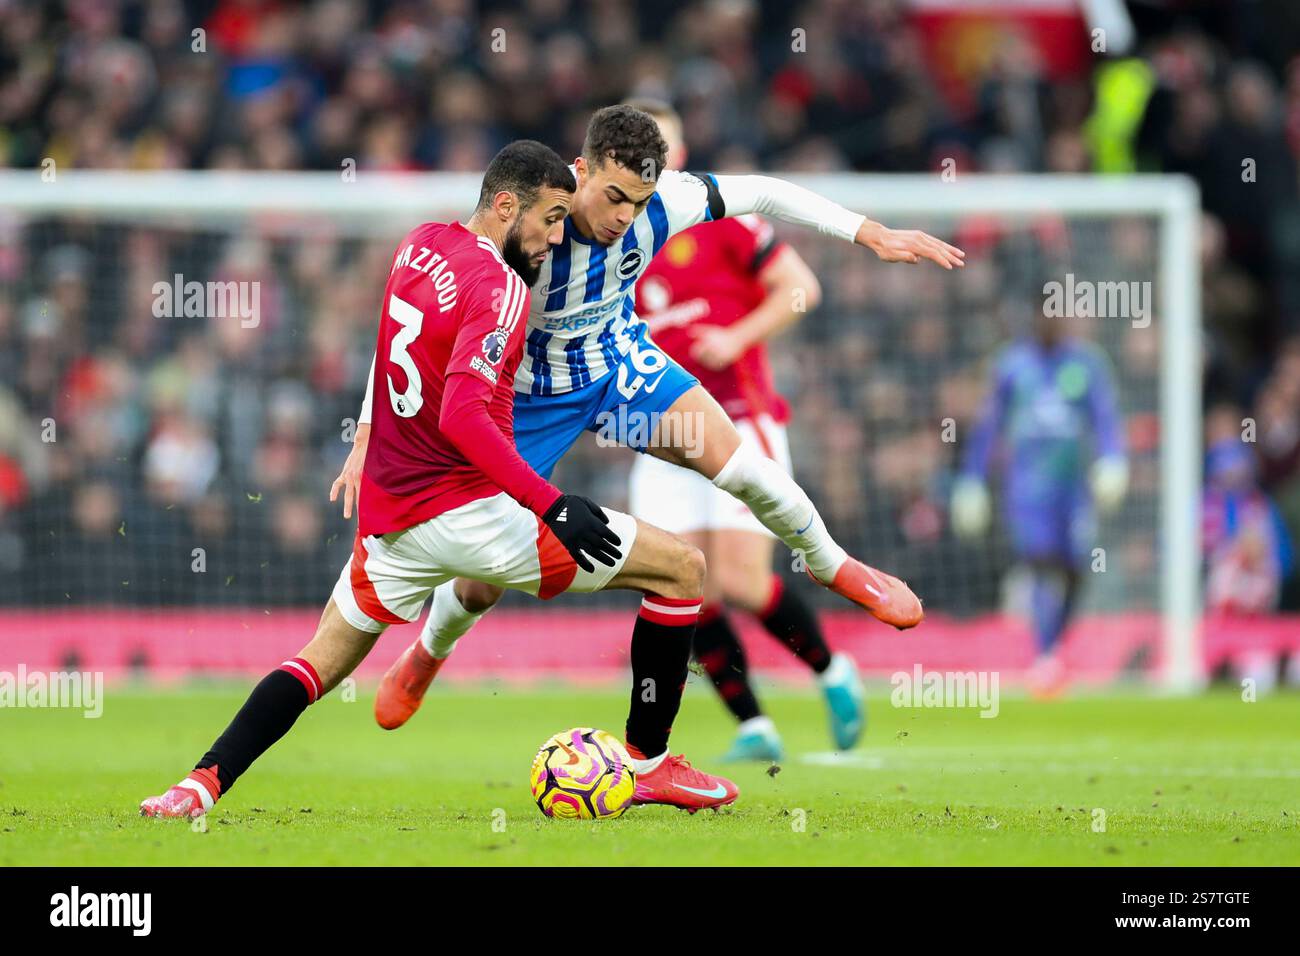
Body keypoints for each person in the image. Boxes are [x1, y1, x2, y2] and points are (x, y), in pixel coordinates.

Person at [141, 140, 739, 817]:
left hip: (390, 522)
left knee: (314, 665)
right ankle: (649, 765)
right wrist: (554, 505)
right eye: (548, 219)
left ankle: (198, 786)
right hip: (472, 516)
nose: (553, 238)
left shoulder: (418, 245)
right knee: (682, 570)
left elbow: (390, 345)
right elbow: (462, 417)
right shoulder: (503, 288)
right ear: (507, 204)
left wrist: (367, 433)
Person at [338, 105, 964, 733]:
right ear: (581, 170)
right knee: (479, 585)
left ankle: (834, 566)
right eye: (613, 197)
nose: (621, 218)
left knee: (736, 461)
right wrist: (368, 429)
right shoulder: (521, 228)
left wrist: (869, 232)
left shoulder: (670, 203)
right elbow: (414, 325)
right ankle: (427, 655)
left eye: (637, 204)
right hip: (523, 398)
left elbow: (766, 192)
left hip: (618, 369)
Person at [622, 99, 861, 761]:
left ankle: (830, 669)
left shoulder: (720, 221)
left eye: (660, 148)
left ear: (679, 157)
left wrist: (737, 335)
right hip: (657, 434)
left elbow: (800, 288)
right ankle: (753, 724)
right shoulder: (608, 240)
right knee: (679, 580)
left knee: (742, 581)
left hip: (737, 419)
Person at [951, 310, 1127, 696]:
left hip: (1073, 488)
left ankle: (1054, 648)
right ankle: (1044, 657)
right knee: (1040, 562)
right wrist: (972, 479)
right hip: (1027, 489)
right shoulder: (1012, 365)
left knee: (1075, 569)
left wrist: (1113, 458)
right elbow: (989, 426)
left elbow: (1104, 418)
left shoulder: (1086, 363)